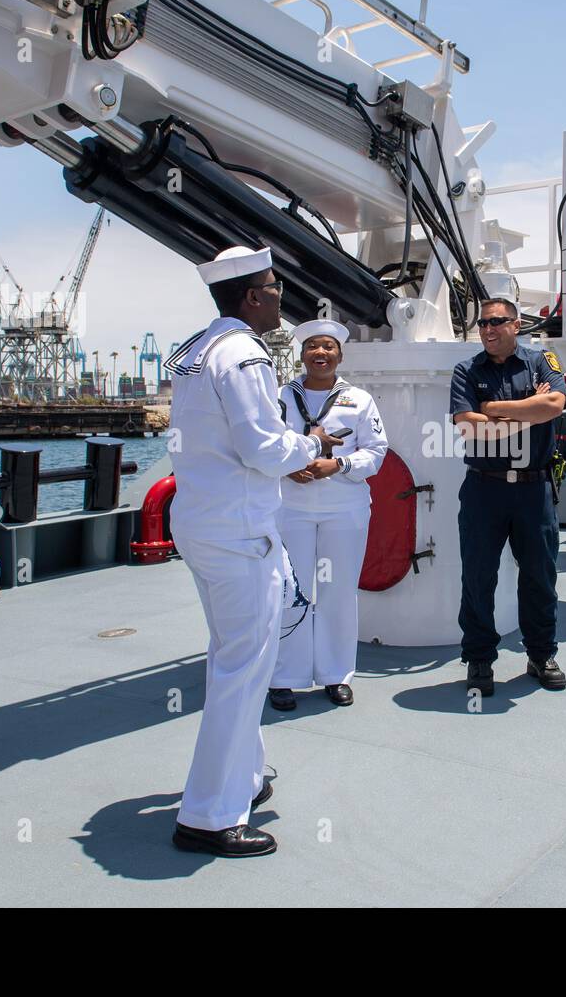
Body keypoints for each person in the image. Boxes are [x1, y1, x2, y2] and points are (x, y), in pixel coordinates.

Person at [166, 245, 340, 857]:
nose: (280, 299)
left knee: (235, 655)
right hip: (240, 534)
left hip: (202, 524)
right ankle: (208, 816)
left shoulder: (193, 351)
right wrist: (310, 442)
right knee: (243, 671)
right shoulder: (243, 354)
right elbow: (265, 450)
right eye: (272, 288)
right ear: (250, 298)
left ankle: (243, 776)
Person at [449, 296, 566, 697]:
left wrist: (495, 408)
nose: (488, 329)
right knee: (478, 576)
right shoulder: (465, 370)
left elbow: (554, 403)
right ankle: (480, 659)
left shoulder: (541, 361)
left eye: (497, 322)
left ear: (516, 325)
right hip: (484, 488)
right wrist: (527, 412)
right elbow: (470, 429)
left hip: (533, 489)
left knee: (540, 576)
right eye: (483, 323)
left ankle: (541, 654)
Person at [269, 319, 388, 711]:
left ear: (340, 354)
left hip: (344, 509)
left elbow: (376, 452)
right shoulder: (279, 396)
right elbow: (263, 445)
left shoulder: (360, 400)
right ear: (302, 354)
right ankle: (285, 676)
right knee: (290, 590)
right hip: (291, 507)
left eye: (328, 347)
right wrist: (286, 467)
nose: (320, 353)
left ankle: (336, 675)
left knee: (338, 592)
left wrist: (337, 466)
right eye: (312, 347)